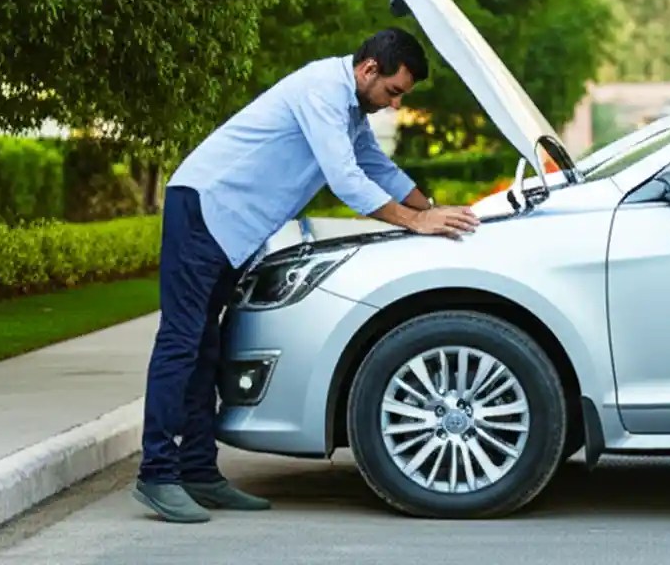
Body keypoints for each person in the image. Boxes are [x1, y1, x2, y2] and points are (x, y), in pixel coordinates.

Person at [132, 27, 481, 523]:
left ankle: (199, 474)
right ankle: (157, 474)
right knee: (181, 343)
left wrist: (437, 209)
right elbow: (344, 178)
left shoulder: (350, 108)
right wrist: (414, 222)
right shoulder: (321, 90)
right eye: (394, 92)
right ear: (369, 70)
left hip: (231, 228)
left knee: (207, 349)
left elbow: (374, 165)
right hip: (203, 210)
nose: (394, 104)